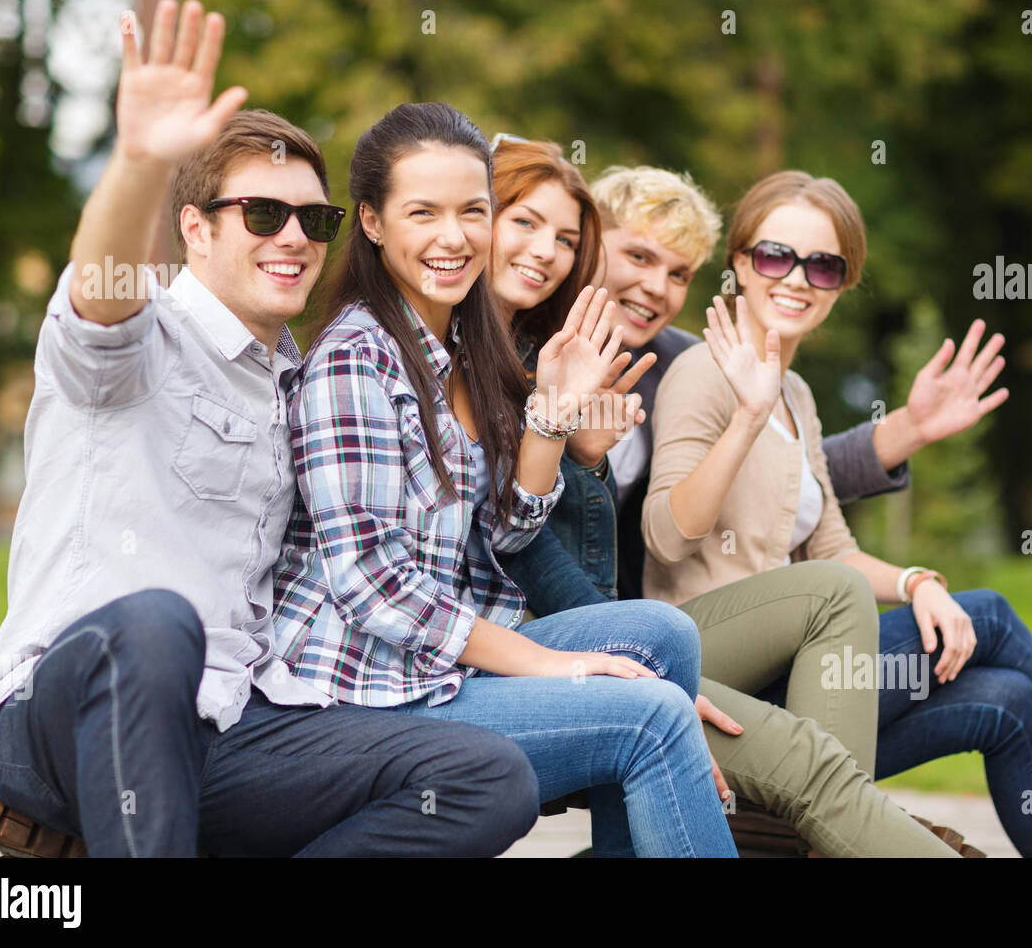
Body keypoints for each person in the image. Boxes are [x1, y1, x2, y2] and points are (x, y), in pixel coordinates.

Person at [0, 0, 541, 858]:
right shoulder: (143, 341)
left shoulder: (301, 383)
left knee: (490, 776)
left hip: (230, 727)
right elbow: (99, 295)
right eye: (263, 214)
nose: (296, 238)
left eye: (315, 219)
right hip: (61, 717)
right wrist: (137, 162)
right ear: (193, 229)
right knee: (155, 624)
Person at [643, 168, 1032, 858]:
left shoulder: (795, 393)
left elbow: (834, 547)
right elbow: (668, 537)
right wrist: (745, 417)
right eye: (774, 255)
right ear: (738, 263)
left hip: (806, 673)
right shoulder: (704, 373)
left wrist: (917, 581)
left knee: (1009, 702)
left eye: (823, 265)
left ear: (843, 284)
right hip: (722, 673)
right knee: (993, 613)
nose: (796, 278)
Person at [270, 103, 736, 857]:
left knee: (664, 634)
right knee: (650, 713)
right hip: (364, 693)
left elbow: (503, 535)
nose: (454, 237)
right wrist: (554, 663)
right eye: (423, 211)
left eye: (472, 211)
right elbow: (368, 579)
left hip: (427, 668)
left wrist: (549, 417)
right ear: (374, 222)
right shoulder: (359, 356)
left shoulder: (459, 344)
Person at [488, 139, 958, 856]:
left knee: (991, 690)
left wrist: (898, 446)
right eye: (637, 257)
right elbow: (535, 538)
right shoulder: (537, 362)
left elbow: (794, 487)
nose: (655, 285)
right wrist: (569, 447)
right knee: (824, 737)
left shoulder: (680, 355)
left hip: (643, 633)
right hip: (585, 640)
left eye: (677, 271)